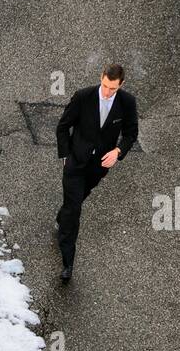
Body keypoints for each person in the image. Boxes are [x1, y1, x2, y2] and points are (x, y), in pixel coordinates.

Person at [55, 65, 139, 281]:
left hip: (98, 166)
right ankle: (68, 263)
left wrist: (118, 151)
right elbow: (63, 126)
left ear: (121, 85)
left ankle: (62, 218)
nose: (107, 92)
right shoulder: (83, 96)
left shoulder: (127, 103)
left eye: (112, 88)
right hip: (75, 163)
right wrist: (65, 156)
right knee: (74, 211)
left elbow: (131, 133)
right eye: (104, 85)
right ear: (101, 78)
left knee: (74, 203)